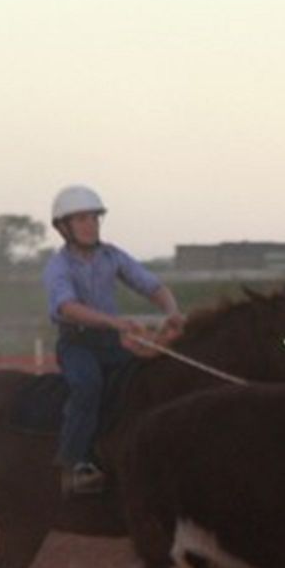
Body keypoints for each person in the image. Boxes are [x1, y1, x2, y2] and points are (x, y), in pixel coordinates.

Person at [43, 184, 185, 497]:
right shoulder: (58, 266)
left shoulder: (113, 255)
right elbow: (67, 307)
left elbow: (150, 285)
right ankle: (73, 464)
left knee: (151, 376)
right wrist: (113, 321)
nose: (90, 225)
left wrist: (172, 310)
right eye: (81, 219)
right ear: (64, 227)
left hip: (111, 343)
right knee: (88, 386)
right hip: (77, 345)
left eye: (94, 218)